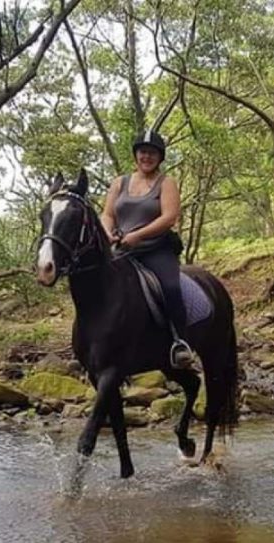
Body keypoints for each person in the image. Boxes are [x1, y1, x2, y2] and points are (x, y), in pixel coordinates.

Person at [100, 130, 195, 369]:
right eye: (143, 152)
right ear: (136, 155)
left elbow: (170, 217)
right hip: (121, 249)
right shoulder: (119, 183)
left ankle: (179, 342)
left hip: (156, 250)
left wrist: (138, 235)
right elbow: (108, 214)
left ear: (160, 157)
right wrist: (108, 232)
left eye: (152, 153)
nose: (147, 157)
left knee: (171, 287)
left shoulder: (166, 183)